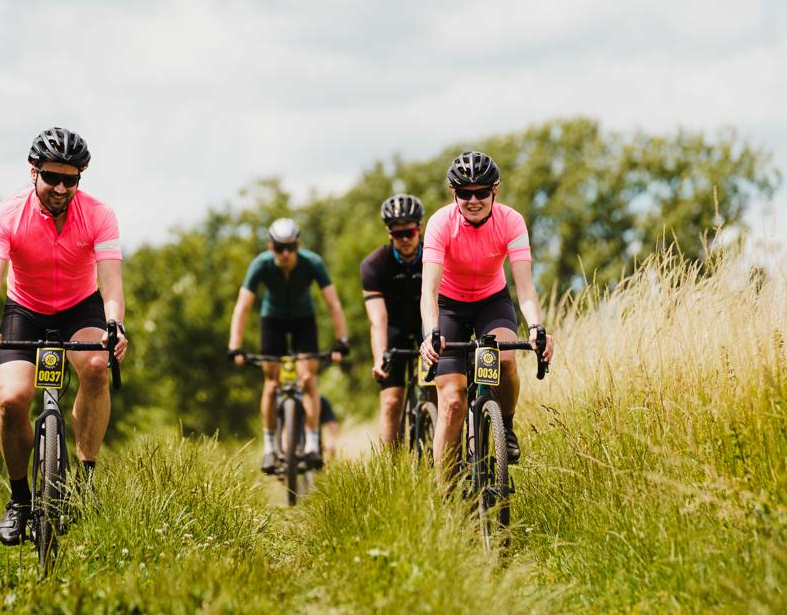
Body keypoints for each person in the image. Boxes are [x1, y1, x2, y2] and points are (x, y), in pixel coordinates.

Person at [0, 127, 128, 546]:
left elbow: (111, 282)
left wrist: (115, 324)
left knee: (96, 366)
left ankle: (85, 478)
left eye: (71, 179)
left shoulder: (99, 214)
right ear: (33, 172)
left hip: (80, 306)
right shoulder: (6, 215)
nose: (61, 187)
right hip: (24, 309)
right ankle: (20, 500)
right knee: (11, 400)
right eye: (52, 178)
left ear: (80, 178)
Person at [418, 151, 555, 476]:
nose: (473, 200)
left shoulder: (511, 221)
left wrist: (536, 326)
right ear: (455, 194)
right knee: (452, 401)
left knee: (506, 361)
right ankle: (446, 499)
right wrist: (430, 333)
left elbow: (524, 286)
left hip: (491, 301)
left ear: (495, 191)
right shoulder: (440, 223)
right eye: (465, 193)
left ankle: (503, 426)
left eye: (481, 192)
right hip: (449, 306)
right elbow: (429, 292)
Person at [227, 218, 349, 472]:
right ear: (271, 247)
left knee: (307, 378)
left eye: (291, 247)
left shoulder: (312, 262)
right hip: (272, 321)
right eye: (280, 248)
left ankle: (313, 444)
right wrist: (235, 346)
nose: (286, 254)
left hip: (304, 320)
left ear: (298, 245)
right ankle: (271, 448)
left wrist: (341, 341)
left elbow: (333, 304)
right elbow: (243, 306)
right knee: (271, 383)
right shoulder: (260, 265)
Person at [361, 194, 428, 447]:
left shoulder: (435, 256)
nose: (404, 239)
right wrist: (380, 359)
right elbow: (378, 320)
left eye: (409, 232)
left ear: (419, 229)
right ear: (389, 233)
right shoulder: (374, 265)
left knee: (438, 392)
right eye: (397, 234)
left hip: (428, 326)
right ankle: (390, 472)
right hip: (394, 329)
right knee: (391, 403)